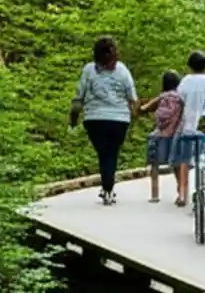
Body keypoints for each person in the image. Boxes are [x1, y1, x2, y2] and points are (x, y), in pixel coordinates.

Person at [69, 36, 138, 205]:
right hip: (119, 120)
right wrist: (133, 116)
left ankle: (107, 187)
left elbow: (79, 98)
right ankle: (108, 188)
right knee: (112, 153)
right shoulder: (122, 70)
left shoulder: (89, 70)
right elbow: (132, 98)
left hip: (95, 120)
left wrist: (73, 119)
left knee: (103, 153)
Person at [171, 51, 205, 207]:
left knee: (184, 161)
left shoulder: (184, 82)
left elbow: (179, 104)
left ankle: (183, 195)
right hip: (204, 128)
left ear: (189, 65)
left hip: (187, 126)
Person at [141, 70, 184, 205]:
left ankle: (155, 194)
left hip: (160, 134)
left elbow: (145, 108)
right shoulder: (180, 98)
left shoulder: (161, 97)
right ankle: (180, 192)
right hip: (176, 134)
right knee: (177, 164)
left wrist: (140, 107)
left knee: (155, 164)